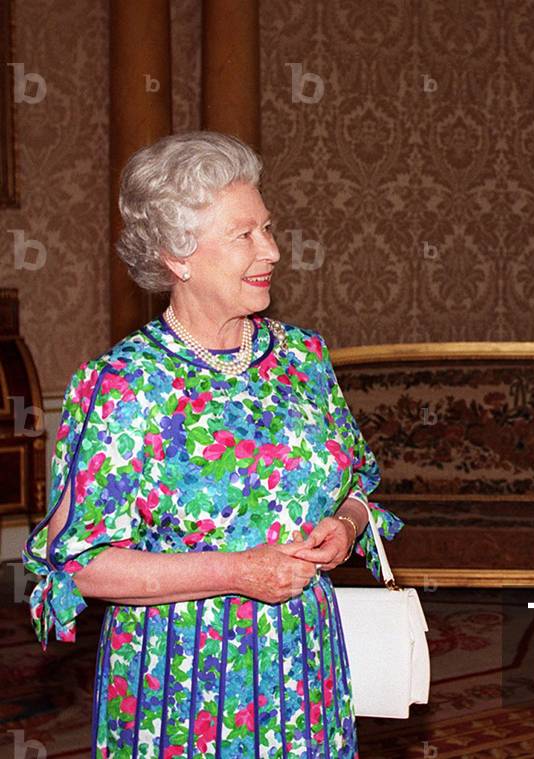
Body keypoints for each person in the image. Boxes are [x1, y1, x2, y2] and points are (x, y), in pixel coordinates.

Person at [21, 131, 402, 758]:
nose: (272, 251)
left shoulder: (303, 358)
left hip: (308, 667)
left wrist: (345, 523)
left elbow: (358, 480)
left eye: (268, 228)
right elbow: (78, 563)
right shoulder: (124, 384)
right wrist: (237, 571)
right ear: (178, 255)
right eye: (244, 235)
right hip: (183, 684)